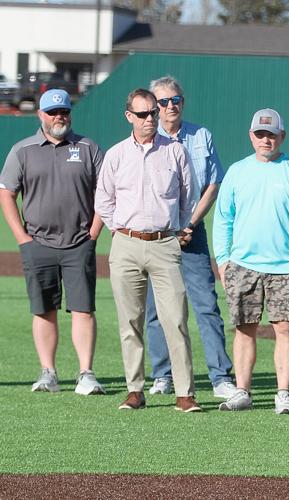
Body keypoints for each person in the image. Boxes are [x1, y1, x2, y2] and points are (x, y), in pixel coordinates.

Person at [94, 88, 200, 412]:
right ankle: (134, 390)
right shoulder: (115, 155)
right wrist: (120, 231)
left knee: (176, 319)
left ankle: (185, 394)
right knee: (130, 321)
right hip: (125, 243)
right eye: (143, 114)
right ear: (129, 116)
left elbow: (189, 196)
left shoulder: (176, 151)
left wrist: (176, 228)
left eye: (153, 112)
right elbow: (103, 201)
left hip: (164, 243)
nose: (150, 119)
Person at [0, 89, 106, 396]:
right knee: (43, 309)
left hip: (79, 242)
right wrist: (21, 237)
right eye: (52, 112)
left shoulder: (87, 148)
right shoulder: (23, 150)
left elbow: (106, 190)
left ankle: (86, 373)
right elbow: (7, 192)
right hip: (38, 243)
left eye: (64, 112)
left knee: (83, 309)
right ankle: (48, 372)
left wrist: (95, 231)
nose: (59, 117)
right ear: (41, 115)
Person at [213, 108, 289, 413]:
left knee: (284, 329)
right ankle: (242, 391)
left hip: (285, 267)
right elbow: (223, 219)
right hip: (243, 265)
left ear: (282, 136)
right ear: (251, 136)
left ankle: (283, 393)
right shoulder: (237, 171)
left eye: (271, 134)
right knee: (245, 328)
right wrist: (223, 259)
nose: (265, 139)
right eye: (260, 134)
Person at [144, 76, 235, 399]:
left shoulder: (201, 136)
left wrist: (190, 224)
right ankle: (162, 375)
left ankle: (220, 376)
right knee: (157, 309)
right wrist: (169, 227)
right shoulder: (147, 140)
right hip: (157, 235)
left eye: (175, 100)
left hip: (192, 233)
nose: (170, 107)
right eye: (163, 102)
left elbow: (213, 184)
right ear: (153, 106)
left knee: (206, 306)